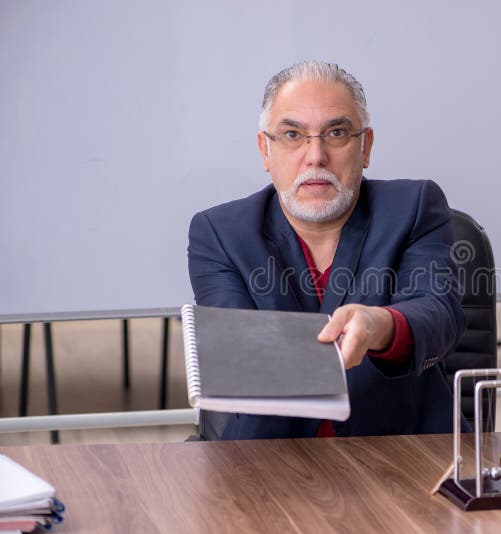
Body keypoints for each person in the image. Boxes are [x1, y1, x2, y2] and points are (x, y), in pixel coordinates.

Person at [187, 60, 465, 440]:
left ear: (365, 147)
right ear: (265, 152)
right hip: (269, 458)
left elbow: (437, 312)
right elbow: (243, 354)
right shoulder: (219, 233)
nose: (315, 155)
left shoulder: (415, 207)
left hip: (404, 454)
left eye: (336, 132)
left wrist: (378, 325)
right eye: (292, 135)